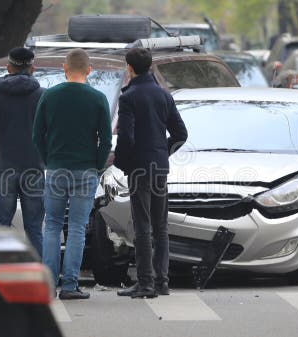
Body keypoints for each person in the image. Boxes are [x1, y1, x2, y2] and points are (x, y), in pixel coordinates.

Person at [33, 49, 112, 300]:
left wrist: (49, 160)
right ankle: (69, 286)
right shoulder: (98, 98)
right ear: (89, 70)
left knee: (53, 226)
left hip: (56, 168)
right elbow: (106, 140)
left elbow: (37, 135)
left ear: (64, 68)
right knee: (77, 226)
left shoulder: (49, 96)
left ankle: (47, 284)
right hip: (85, 169)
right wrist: (97, 165)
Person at [115, 48, 188, 299]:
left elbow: (125, 136)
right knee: (160, 225)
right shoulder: (163, 95)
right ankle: (162, 282)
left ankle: (145, 283)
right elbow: (181, 134)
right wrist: (162, 152)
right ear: (150, 66)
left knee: (142, 225)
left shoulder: (129, 97)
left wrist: (122, 162)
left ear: (129, 68)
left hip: (138, 167)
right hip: (159, 167)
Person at [0, 47, 45, 255]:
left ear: (8, 68)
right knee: (34, 227)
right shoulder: (42, 95)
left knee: (0, 226)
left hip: (5, 165)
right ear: (32, 69)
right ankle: (37, 277)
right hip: (34, 166)